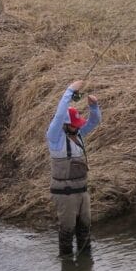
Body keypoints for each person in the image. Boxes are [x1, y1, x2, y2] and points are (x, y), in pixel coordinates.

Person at [46, 80, 101, 257]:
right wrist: (69, 90)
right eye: (75, 124)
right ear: (65, 124)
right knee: (67, 230)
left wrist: (94, 106)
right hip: (65, 194)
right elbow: (61, 113)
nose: (79, 127)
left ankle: (85, 263)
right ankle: (67, 263)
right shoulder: (55, 137)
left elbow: (95, 121)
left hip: (82, 191)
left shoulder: (78, 135)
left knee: (85, 228)